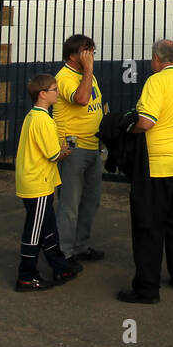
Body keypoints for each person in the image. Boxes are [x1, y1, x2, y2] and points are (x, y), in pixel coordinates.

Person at [120, 40, 173, 305]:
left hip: (157, 166)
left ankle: (147, 289)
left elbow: (146, 121)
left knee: (149, 227)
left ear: (156, 58)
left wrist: (126, 128)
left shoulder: (156, 82)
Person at [14, 74, 76, 292]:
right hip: (37, 184)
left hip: (38, 182)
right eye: (54, 90)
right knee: (34, 231)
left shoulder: (33, 116)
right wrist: (64, 151)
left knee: (48, 227)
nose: (57, 93)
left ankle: (60, 266)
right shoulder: (44, 120)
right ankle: (26, 276)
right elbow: (53, 155)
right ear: (42, 94)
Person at [53, 34, 106, 269]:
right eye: (87, 51)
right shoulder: (64, 77)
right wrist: (88, 71)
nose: (92, 55)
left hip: (93, 145)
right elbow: (82, 99)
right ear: (74, 55)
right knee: (69, 204)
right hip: (73, 149)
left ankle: (80, 245)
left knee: (90, 201)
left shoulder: (88, 74)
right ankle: (64, 252)